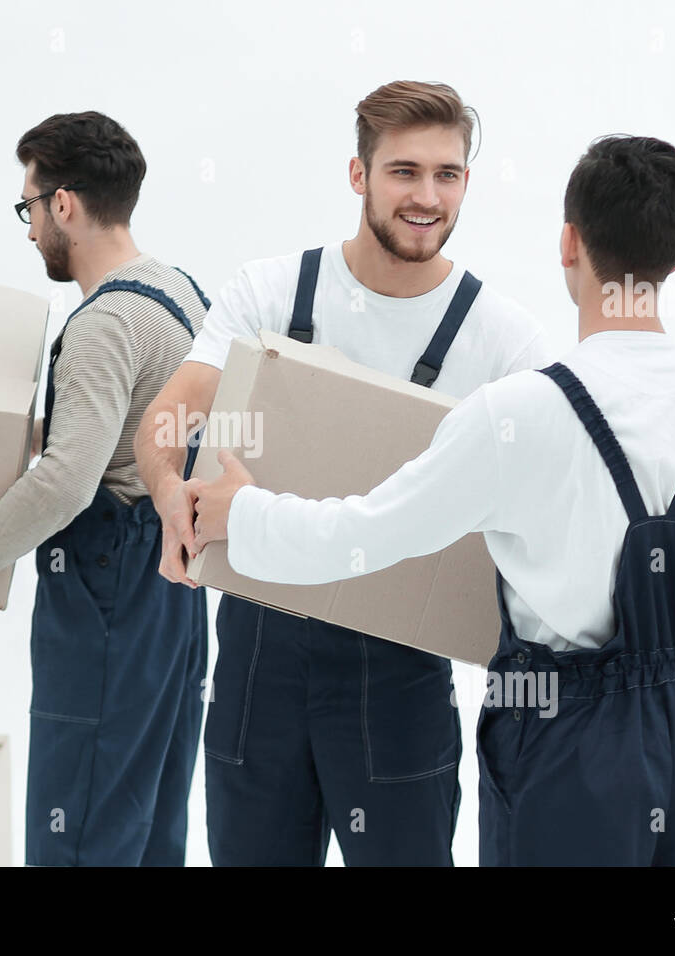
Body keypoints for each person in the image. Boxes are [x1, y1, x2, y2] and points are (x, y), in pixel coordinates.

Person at [190, 134, 675, 866]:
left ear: (568, 244)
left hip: (562, 734)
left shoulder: (521, 412)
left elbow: (366, 536)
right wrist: (658, 662)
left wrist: (243, 514)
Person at [135, 81, 553, 866]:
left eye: (447, 175)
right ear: (358, 176)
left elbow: (554, 506)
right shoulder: (270, 293)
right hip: (259, 660)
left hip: (399, 673)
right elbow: (166, 423)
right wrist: (170, 500)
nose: (427, 197)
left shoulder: (507, 343)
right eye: (403, 172)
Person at [0, 112, 211, 866]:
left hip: (109, 597)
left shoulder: (103, 324)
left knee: (82, 827)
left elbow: (65, 483)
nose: (28, 230)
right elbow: (123, 433)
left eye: (28, 207)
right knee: (148, 823)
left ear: (63, 204)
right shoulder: (180, 291)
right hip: (174, 595)